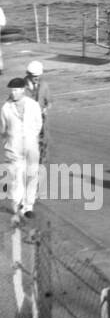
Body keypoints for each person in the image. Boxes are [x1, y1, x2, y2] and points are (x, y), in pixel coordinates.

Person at [2, 77, 42, 218]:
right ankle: (17, 203)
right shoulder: (6, 108)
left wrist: (30, 137)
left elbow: (38, 124)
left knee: (31, 175)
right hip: (14, 147)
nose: (13, 92)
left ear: (23, 90)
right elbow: (2, 128)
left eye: (16, 89)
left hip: (31, 145)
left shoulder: (33, 105)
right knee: (16, 176)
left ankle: (28, 206)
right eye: (12, 90)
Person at [24, 61, 51, 162]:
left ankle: (41, 165)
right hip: (27, 122)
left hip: (41, 120)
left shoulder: (44, 85)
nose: (37, 78)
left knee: (43, 144)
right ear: (28, 74)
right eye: (34, 76)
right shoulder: (21, 87)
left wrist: (46, 108)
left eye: (39, 76)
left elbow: (49, 101)